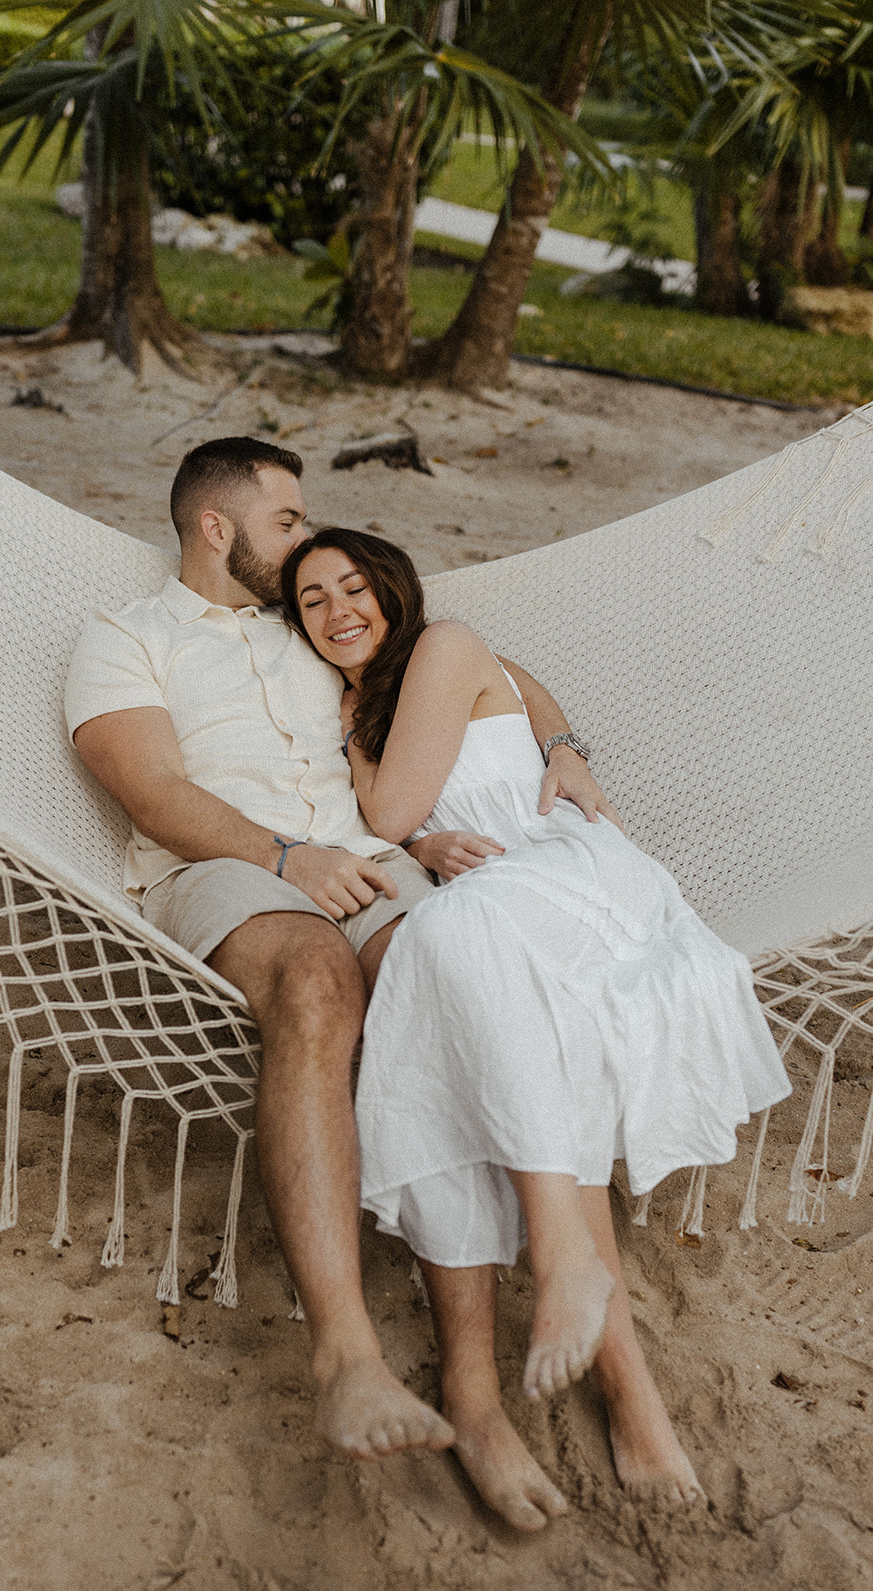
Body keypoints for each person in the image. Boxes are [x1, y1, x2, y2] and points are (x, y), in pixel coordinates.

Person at [65, 437, 613, 1530]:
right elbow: (151, 790)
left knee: (448, 979)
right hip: (225, 875)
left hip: (372, 866)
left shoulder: (316, 624)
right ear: (217, 527)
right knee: (317, 985)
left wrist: (559, 740)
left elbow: (470, 657)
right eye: (285, 519)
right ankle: (347, 1358)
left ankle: (470, 1387)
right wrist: (283, 858)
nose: (304, 536)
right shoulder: (123, 639)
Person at [282, 526, 793, 1511]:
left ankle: (571, 1319)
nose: (339, 610)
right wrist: (426, 823)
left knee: (448, 936)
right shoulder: (366, 704)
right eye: (312, 601)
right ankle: (618, 1381)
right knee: (470, 1005)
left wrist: (444, 796)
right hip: (496, 902)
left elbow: (383, 815)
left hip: (568, 880)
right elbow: (410, 818)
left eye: (355, 588)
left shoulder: (441, 647)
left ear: (393, 594)